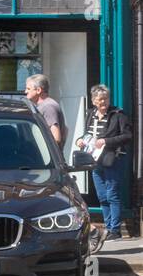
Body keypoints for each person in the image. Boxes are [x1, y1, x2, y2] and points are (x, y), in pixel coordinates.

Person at [76, 84, 133, 241]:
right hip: (95, 160)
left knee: (112, 195)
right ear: (94, 100)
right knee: (102, 196)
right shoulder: (90, 114)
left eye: (106, 99)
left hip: (112, 159)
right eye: (100, 99)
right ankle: (108, 228)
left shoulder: (118, 114)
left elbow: (127, 136)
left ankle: (115, 230)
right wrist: (80, 140)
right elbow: (88, 134)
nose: (103, 102)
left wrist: (105, 141)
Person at [24, 73, 65, 149]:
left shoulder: (48, 107)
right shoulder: (40, 106)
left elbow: (56, 138)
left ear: (38, 90)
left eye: (28, 89)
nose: (25, 91)